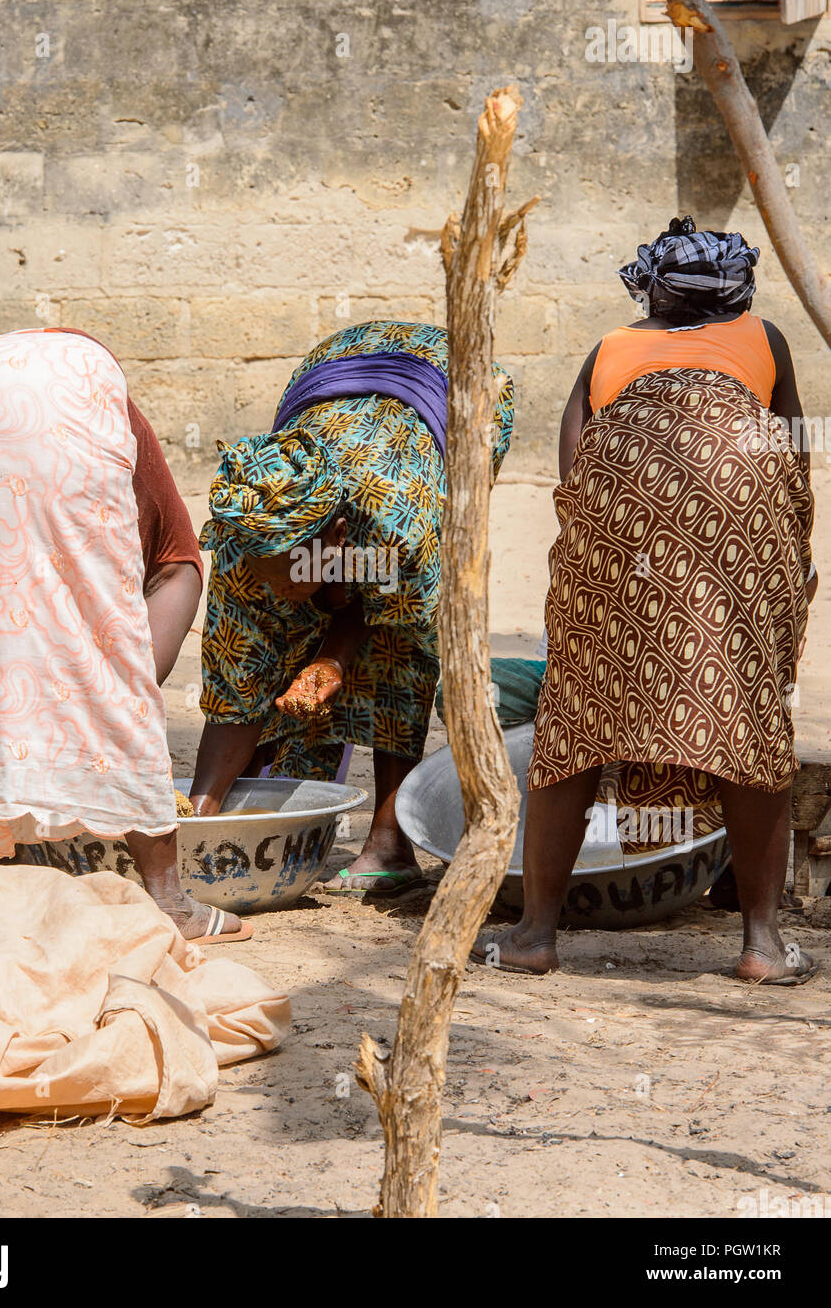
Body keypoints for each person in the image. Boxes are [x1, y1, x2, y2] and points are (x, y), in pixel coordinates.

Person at [473, 218, 818, 984]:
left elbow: (573, 475)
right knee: (743, 705)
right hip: (743, 495)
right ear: (738, 294)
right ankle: (763, 945)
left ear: (650, 292)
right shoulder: (765, 339)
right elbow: (795, 456)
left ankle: (534, 934)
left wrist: (607, 576)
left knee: (576, 712)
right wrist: (785, 570)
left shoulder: (609, 349)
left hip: (618, 501)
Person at [0, 327, 250, 942]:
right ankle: (170, 900)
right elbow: (177, 570)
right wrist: (125, 685)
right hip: (57, 407)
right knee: (105, 654)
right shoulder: (114, 417)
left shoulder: (1, 368)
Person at [190, 320, 514, 894]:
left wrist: (336, 657)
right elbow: (233, 684)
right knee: (263, 636)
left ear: (339, 535)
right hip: (334, 369)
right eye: (271, 579)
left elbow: (403, 617)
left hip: (455, 388)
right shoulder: (251, 541)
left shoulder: (395, 525)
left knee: (398, 654)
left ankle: (390, 845)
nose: (282, 592)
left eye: (296, 575)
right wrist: (197, 814)